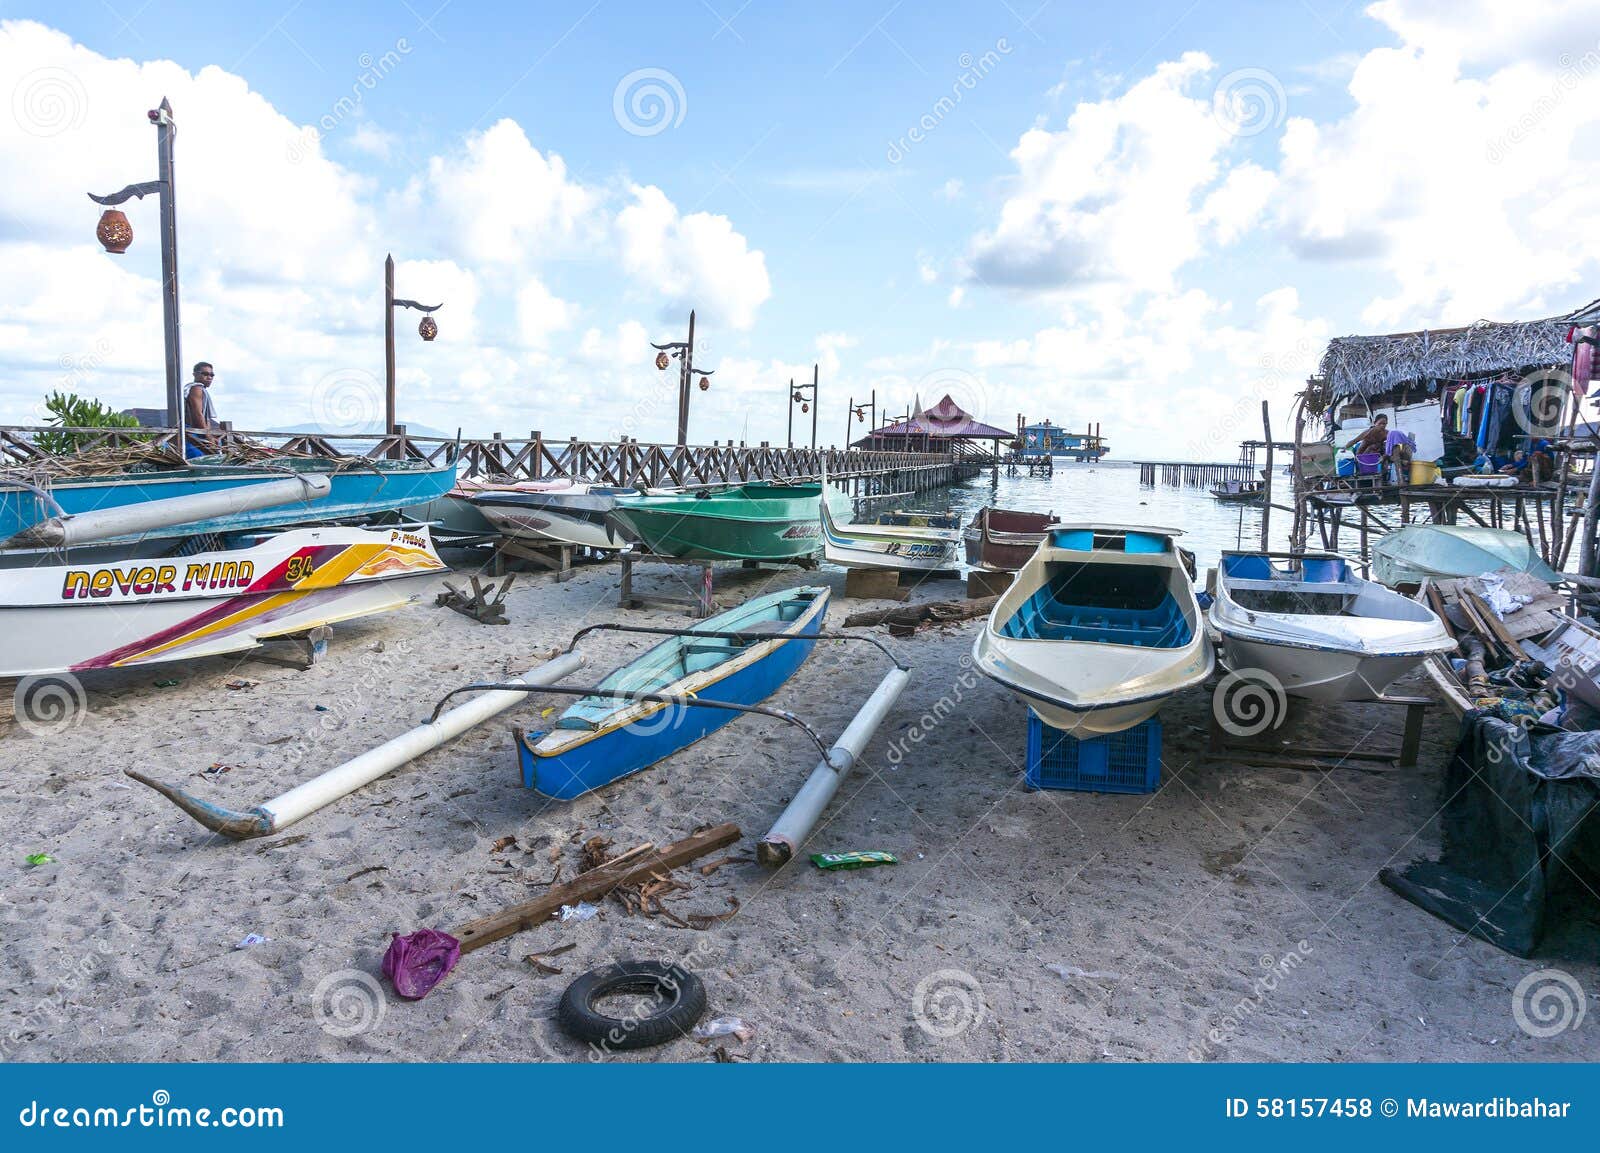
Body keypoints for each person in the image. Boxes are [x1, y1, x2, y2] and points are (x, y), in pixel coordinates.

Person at [185, 361, 218, 458]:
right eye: (205, 374)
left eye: (212, 375)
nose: (209, 377)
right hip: (192, 432)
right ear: (195, 374)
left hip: (197, 432)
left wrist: (209, 434)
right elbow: (197, 414)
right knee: (198, 462)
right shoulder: (196, 388)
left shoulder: (201, 390)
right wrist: (208, 435)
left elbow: (205, 417)